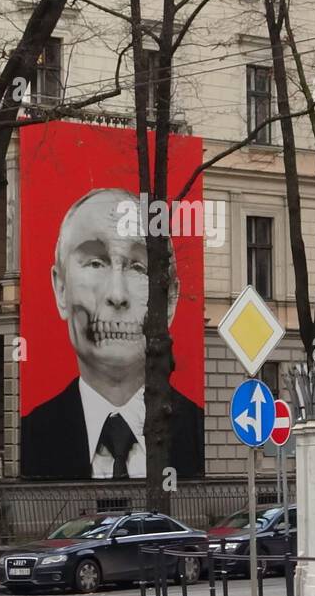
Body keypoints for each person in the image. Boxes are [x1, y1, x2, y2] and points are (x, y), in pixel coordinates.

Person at [20, 187, 204, 479]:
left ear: (170, 301)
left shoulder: (195, 428)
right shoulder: (33, 433)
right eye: (95, 263)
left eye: (138, 267)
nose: (117, 295)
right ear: (60, 288)